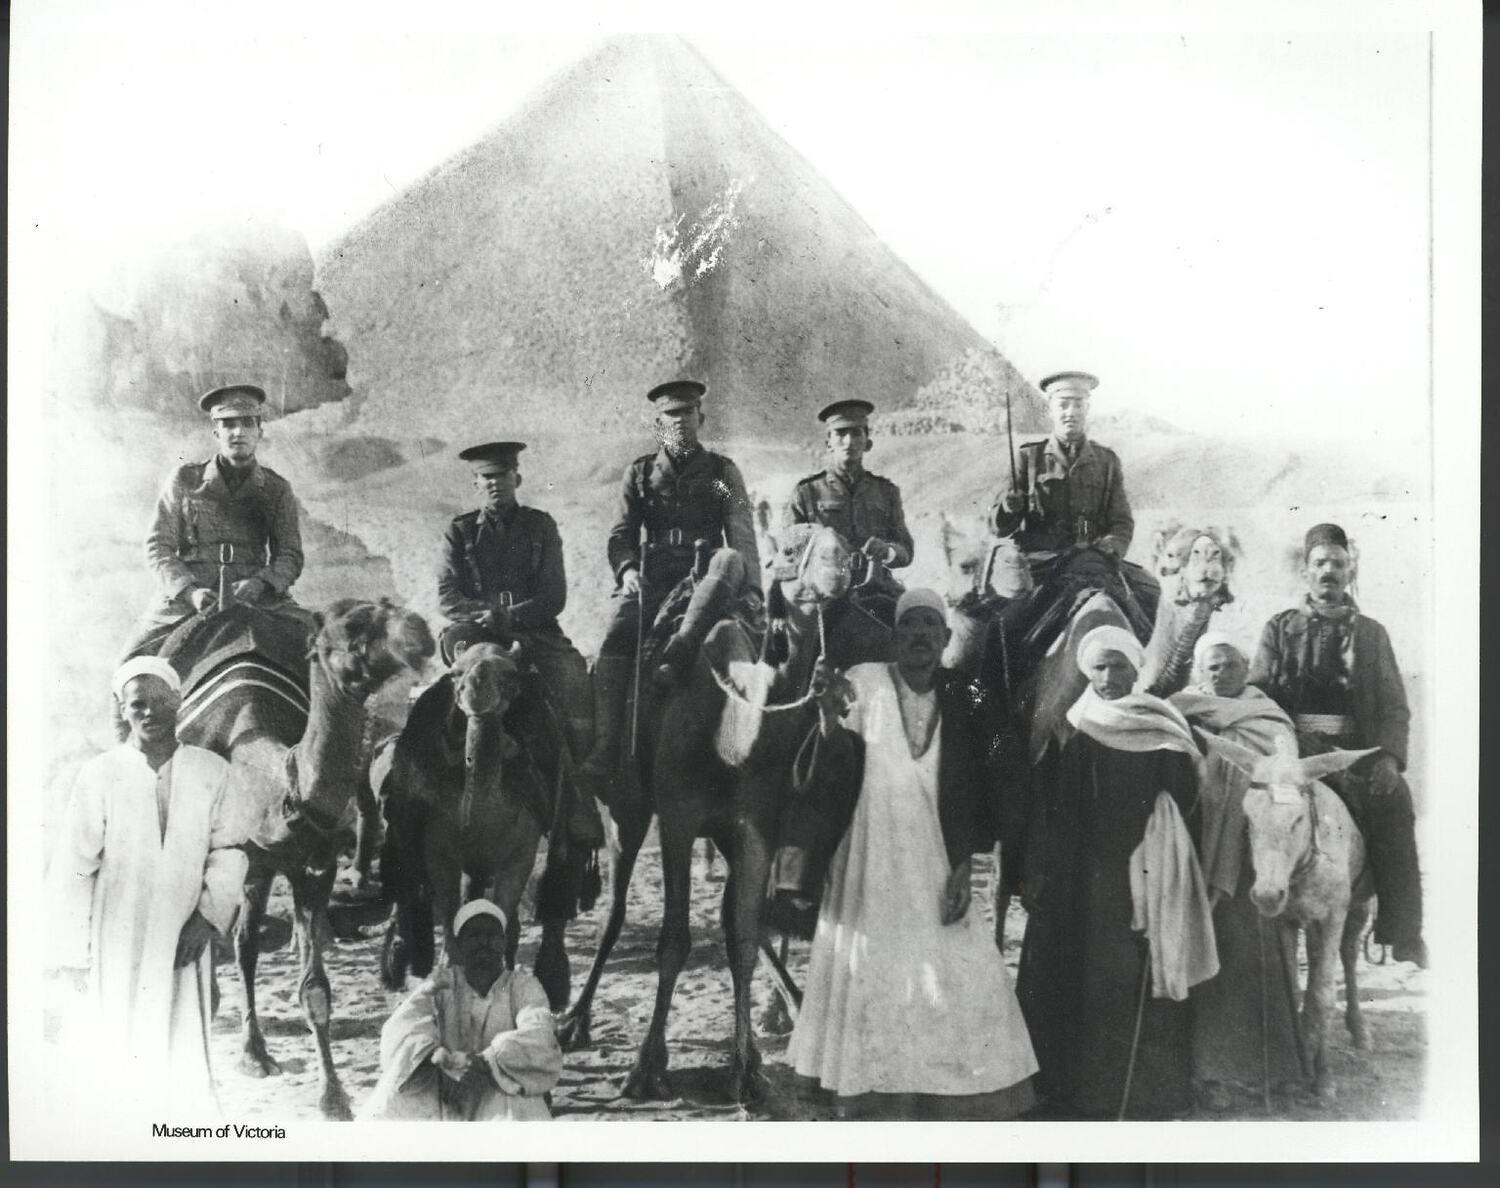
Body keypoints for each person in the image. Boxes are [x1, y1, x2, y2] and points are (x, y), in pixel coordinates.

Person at [786, 588, 1038, 1120]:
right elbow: (824, 778)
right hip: (868, 855)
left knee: (954, 967)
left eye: (930, 626)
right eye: (909, 626)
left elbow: (999, 760)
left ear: (947, 638)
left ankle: (953, 1089)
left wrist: (970, 860)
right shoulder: (861, 681)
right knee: (874, 965)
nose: (920, 635)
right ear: (894, 635)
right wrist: (828, 722)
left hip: (939, 855)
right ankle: (875, 1088)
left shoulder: (968, 690)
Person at [1016, 625, 1215, 1119]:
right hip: (1078, 876)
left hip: (1141, 873)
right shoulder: (1072, 727)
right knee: (1074, 979)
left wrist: (1161, 850)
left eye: (1119, 666)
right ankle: (1068, 1093)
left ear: (1135, 668)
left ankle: (1147, 1095)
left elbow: (1187, 805)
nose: (1109, 677)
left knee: (1132, 979)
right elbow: (1049, 808)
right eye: (1099, 668)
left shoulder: (1163, 727)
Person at [46, 657, 248, 1116]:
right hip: (115, 933)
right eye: (138, 703)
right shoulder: (100, 774)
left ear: (179, 702)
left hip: (182, 935)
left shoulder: (211, 771)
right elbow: (75, 866)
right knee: (114, 1042)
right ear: (123, 708)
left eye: (160, 701)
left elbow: (230, 851)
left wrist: (208, 918)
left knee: (180, 1049)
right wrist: (71, 955)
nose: (150, 712)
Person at [1248, 522, 1426, 968]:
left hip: (1355, 755)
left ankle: (1402, 933)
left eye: (1338, 563)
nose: (1329, 570)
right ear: (1305, 573)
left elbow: (1393, 705)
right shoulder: (1279, 628)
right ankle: (1243, 921)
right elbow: (1257, 694)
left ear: (1350, 572)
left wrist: (1386, 757)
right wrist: (1280, 749)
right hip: (1294, 752)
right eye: (1320, 563)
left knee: (1396, 804)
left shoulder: (1372, 634)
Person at [580, 379, 762, 781]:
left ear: (702, 417)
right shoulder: (641, 474)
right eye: (670, 414)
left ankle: (683, 652)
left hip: (709, 575)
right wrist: (627, 570)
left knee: (732, 560)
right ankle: (608, 743)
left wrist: (752, 593)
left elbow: (741, 530)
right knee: (614, 634)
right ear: (658, 422)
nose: (679, 421)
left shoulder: (720, 473)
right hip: (656, 577)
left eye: (687, 412)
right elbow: (620, 535)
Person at [436, 441, 604, 846]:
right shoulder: (459, 531)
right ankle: (427, 777)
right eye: (487, 477)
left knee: (572, 673)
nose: (496, 484)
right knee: (449, 689)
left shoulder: (540, 526)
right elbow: (446, 596)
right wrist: (482, 614)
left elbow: (554, 595)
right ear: (476, 484)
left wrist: (511, 617)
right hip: (473, 630)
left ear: (518, 479)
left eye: (503, 475)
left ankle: (580, 785)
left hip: (532, 629)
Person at [1169, 633, 1303, 1105]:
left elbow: (1287, 785)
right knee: (1196, 955)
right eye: (1210, 666)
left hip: (1249, 858)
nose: (1219, 673)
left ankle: (1273, 1071)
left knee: (1254, 954)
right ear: (1198, 672)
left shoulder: (1270, 719)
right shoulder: (1180, 711)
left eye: (1228, 665)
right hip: (1192, 844)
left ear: (1246, 668)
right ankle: (1210, 1075)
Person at [121, 383, 307, 661]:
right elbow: (158, 547)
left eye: (247, 424)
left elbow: (290, 555)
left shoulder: (276, 488)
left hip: (256, 596)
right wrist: (189, 592)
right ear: (216, 432)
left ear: (259, 432)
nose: (238, 432)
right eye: (228, 424)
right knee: (130, 661)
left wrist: (261, 584)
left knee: (319, 645)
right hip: (191, 599)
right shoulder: (184, 480)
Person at [988, 371, 1160, 660]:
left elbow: (1121, 520)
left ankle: (1150, 678)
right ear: (1051, 410)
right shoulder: (1029, 459)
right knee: (1001, 626)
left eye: (1078, 404)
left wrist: (1112, 545)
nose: (1071, 412)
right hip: (1041, 565)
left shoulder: (1106, 462)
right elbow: (999, 526)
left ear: (1087, 409)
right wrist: (1010, 508)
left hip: (1093, 562)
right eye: (1063, 404)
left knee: (1151, 597)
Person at [359, 900, 563, 1121]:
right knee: (390, 1101)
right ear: (457, 945)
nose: (484, 942)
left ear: (504, 942)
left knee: (518, 1109)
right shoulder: (442, 983)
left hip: (498, 1083)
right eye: (474, 935)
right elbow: (404, 1024)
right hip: (444, 1085)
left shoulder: (522, 986)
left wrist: (484, 1063)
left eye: (492, 935)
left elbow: (540, 1031)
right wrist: (439, 1058)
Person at [786, 398, 913, 593]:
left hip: (875, 588)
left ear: (867, 442)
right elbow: (789, 550)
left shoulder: (886, 491)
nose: (848, 442)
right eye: (840, 433)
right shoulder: (807, 492)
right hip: (823, 590)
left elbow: (905, 550)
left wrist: (887, 551)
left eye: (856, 433)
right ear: (828, 443)